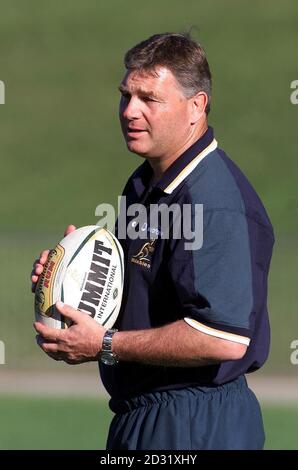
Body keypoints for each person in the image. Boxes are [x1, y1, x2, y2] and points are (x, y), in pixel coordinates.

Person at [31, 32, 274, 450]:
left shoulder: (214, 202)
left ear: (195, 106)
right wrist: (68, 280)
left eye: (149, 99)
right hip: (143, 414)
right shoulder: (144, 183)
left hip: (197, 425)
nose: (130, 111)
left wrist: (104, 344)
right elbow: (136, 294)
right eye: (125, 96)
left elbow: (223, 338)